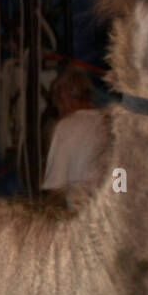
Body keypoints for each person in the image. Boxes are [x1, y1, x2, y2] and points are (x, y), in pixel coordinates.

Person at [42, 66, 108, 210]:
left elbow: (57, 188)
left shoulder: (66, 127)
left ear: (64, 97)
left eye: (56, 104)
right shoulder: (112, 123)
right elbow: (121, 177)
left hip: (82, 220)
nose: (58, 111)